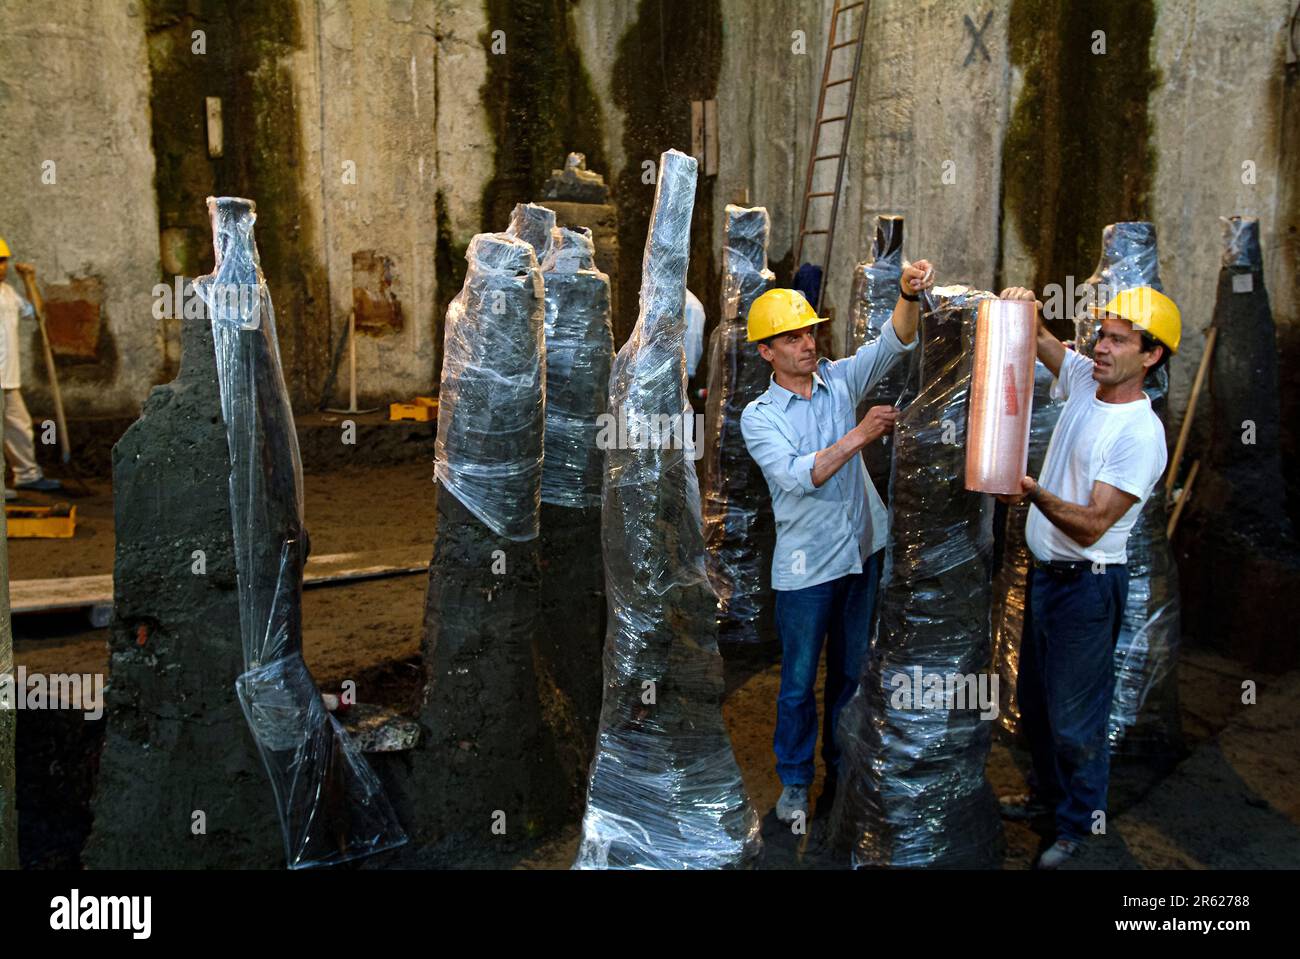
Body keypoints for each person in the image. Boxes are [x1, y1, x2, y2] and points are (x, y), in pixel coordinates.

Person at [740, 261, 933, 824]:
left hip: (862, 554)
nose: (807, 344)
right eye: (792, 337)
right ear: (766, 352)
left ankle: (843, 770)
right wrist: (861, 434)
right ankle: (796, 782)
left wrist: (906, 293)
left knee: (852, 675)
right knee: (798, 683)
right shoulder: (759, 418)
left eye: (810, 332)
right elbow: (801, 474)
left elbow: (894, 342)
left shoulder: (841, 379)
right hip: (807, 571)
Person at [995, 284, 1179, 869]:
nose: (1101, 347)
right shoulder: (1084, 382)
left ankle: (1079, 826)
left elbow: (1093, 524)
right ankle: (1047, 799)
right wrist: (1026, 306)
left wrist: (1031, 492)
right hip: (1046, 579)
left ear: (1150, 357)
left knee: (1077, 723)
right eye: (1101, 335)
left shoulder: (1139, 434)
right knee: (1039, 707)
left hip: (1087, 587)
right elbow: (1046, 345)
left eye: (1118, 340)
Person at [0, 239, 62, 498]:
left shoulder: (8, 293)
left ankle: (27, 476)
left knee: (20, 426)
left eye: (3, 261)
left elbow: (37, 313)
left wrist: (30, 281)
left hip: (9, 377)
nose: (2, 267)